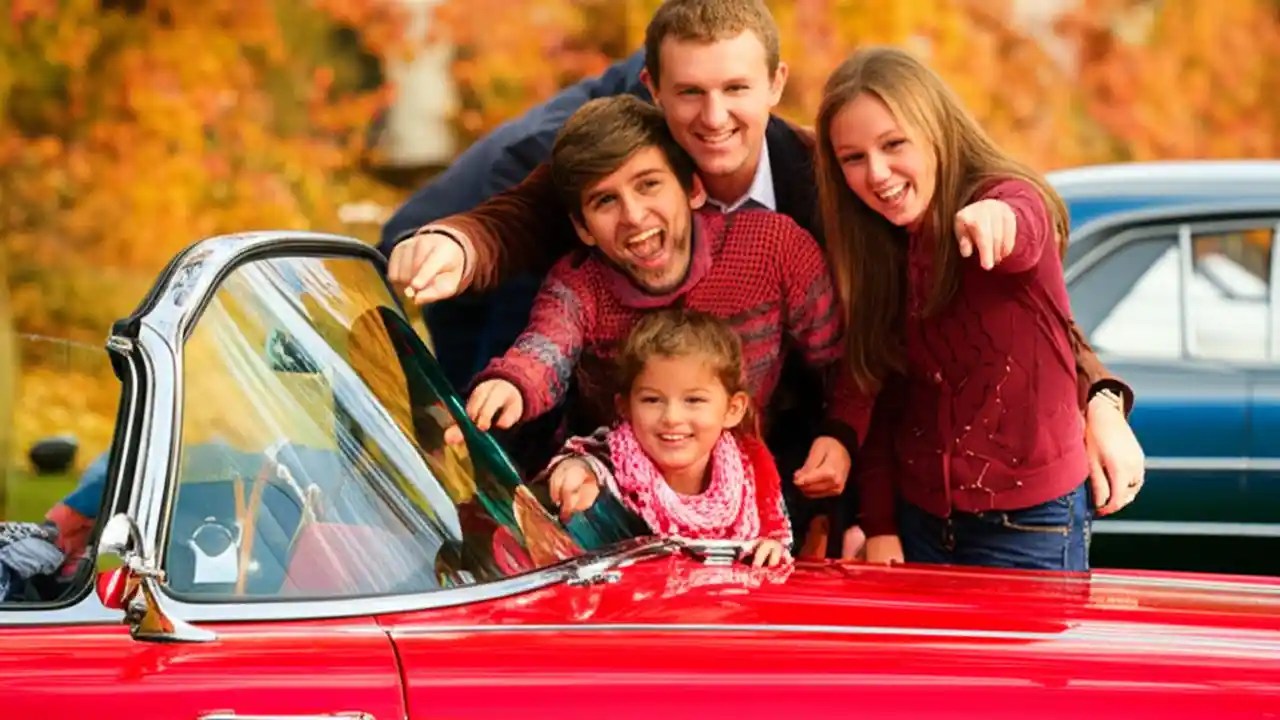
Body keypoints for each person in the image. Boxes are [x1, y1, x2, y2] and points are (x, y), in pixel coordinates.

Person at [384, 0, 1144, 552]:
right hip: (626, 491)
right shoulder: (629, 172)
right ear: (653, 88)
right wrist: (456, 243)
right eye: (690, 92)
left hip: (789, 493)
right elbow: (518, 220)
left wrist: (1099, 396)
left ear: (775, 84)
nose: (714, 116)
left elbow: (975, 302)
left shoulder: (834, 182)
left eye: (736, 89)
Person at [442, 94, 871, 556]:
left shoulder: (774, 249)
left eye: (648, 185)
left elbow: (845, 362)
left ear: (692, 189)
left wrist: (840, 433)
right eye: (606, 201)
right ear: (583, 228)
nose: (633, 215)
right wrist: (512, 384)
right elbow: (545, 347)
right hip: (619, 508)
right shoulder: (580, 284)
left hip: (745, 489)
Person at [816, 47, 1141, 570]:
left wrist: (996, 219)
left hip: (1030, 522)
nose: (876, 172)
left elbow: (1023, 225)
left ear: (937, 131)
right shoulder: (877, 248)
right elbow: (883, 391)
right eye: (853, 158)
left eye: (894, 144)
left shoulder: (1002, 198)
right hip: (921, 522)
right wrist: (880, 524)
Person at [543, 308, 792, 567]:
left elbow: (776, 540)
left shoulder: (754, 475)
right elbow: (585, 465)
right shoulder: (608, 467)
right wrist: (574, 470)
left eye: (694, 400)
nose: (672, 417)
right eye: (652, 400)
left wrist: (771, 550)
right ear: (625, 407)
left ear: (733, 409)